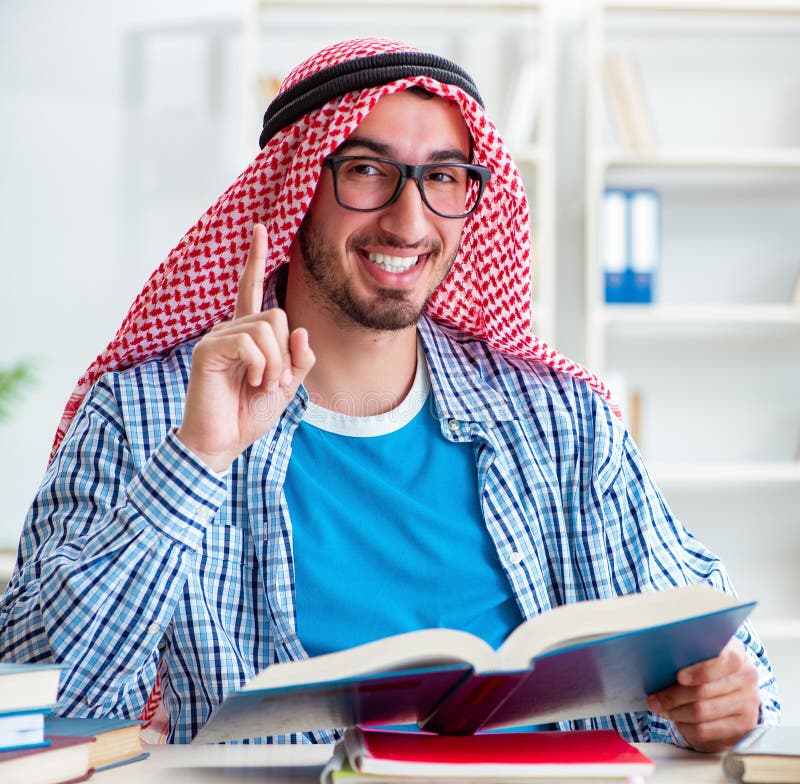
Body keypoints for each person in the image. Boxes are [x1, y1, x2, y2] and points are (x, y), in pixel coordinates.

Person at [0, 38, 778, 751]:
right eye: (368, 170)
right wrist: (196, 461)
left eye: (443, 177)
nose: (409, 222)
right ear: (294, 188)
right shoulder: (141, 416)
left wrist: (726, 699)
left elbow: (720, 650)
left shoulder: (559, 421)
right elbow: (39, 704)